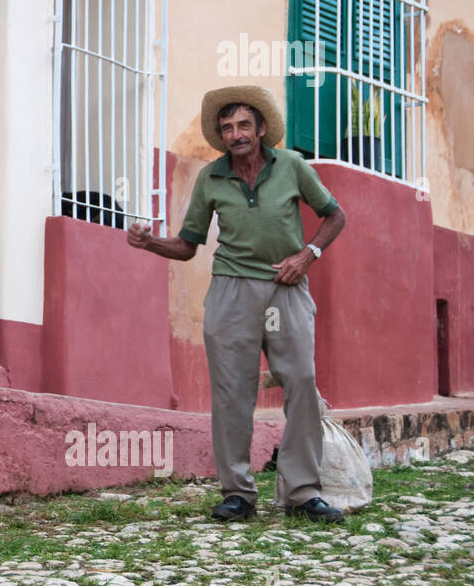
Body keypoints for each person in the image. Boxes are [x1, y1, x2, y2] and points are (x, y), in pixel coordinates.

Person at [127, 85, 348, 523]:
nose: (235, 134)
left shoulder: (292, 167)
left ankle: (302, 493)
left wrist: (308, 255)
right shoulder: (211, 178)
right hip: (231, 289)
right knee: (232, 393)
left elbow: (335, 215)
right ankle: (238, 493)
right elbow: (188, 246)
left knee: (301, 381)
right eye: (227, 128)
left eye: (243, 124)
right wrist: (150, 243)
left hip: (286, 286)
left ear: (261, 128)